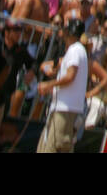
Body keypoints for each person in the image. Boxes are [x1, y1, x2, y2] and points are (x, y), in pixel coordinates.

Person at [37, 18, 88, 152]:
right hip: (64, 108)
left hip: (65, 109)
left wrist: (49, 85)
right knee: (46, 147)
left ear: (69, 32)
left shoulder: (75, 49)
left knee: (53, 148)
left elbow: (70, 76)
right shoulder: (77, 50)